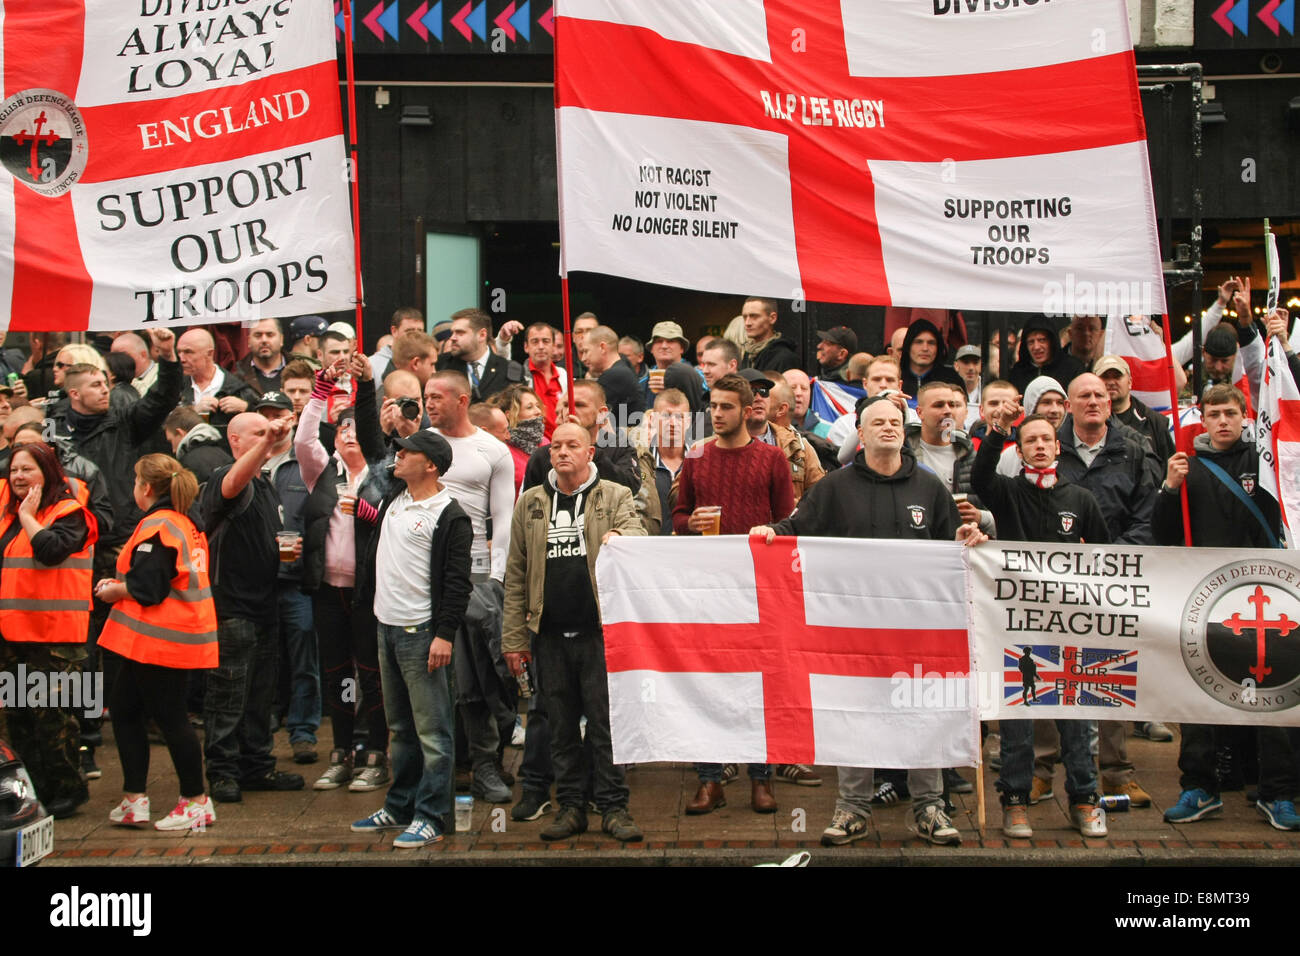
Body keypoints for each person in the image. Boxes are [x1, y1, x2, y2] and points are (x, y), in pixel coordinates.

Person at [752, 395, 986, 845]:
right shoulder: (836, 487)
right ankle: (851, 809)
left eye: (895, 422)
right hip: (851, 629)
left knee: (924, 713)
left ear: (904, 429)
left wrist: (965, 537)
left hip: (917, 630)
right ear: (860, 434)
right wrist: (772, 533)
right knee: (854, 714)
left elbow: (948, 546)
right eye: (877, 423)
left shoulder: (929, 486)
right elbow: (799, 529)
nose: (887, 428)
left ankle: (930, 808)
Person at [1153, 384, 1299, 830]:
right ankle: (1199, 787)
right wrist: (1168, 487)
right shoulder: (1188, 467)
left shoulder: (1267, 463)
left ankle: (1280, 793)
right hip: (1208, 601)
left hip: (1268, 602)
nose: (1221, 421)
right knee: (1199, 698)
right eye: (1213, 413)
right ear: (1203, 418)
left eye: (1229, 413)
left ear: (1243, 416)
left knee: (1276, 700)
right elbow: (1163, 535)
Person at [971, 405, 1111, 839]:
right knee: (1017, 722)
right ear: (1020, 448)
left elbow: (1106, 557)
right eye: (1029, 440)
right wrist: (997, 433)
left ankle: (1085, 800)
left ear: (1057, 447)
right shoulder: (1008, 492)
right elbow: (978, 480)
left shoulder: (1080, 499)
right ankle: (1015, 802)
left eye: (1045, 440)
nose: (1038, 446)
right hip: (1016, 628)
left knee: (1077, 719)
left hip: (1071, 626)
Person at [502, 422, 646, 842]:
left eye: (572, 445)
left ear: (590, 453)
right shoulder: (530, 502)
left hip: (599, 633)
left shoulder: (614, 495)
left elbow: (639, 531)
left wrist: (623, 535)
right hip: (547, 634)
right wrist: (513, 639)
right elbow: (515, 574)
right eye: (556, 446)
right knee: (559, 727)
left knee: (605, 725)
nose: (561, 452)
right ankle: (570, 807)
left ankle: (614, 807)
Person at [673, 373, 794, 813]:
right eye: (713, 407)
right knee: (708, 681)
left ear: (747, 411)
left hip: (758, 586)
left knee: (760, 682)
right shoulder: (697, 457)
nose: (717, 414)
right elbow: (678, 516)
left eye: (726, 407)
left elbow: (788, 522)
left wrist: (770, 535)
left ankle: (762, 777)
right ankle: (710, 779)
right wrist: (691, 523)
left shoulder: (771, 459)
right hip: (708, 586)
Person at [350, 430, 472, 848]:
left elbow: (458, 583)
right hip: (386, 628)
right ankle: (400, 804)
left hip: (422, 634)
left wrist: (444, 635)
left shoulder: (450, 515)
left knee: (434, 733)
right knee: (399, 727)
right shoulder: (393, 500)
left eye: (407, 452)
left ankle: (433, 815)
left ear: (431, 465)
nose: (397, 456)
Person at [96, 454, 218, 831]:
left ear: (146, 488)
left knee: (170, 718)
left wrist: (116, 589)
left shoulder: (159, 525)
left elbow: (148, 588)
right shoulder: (183, 522)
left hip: (161, 641)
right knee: (127, 709)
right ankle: (135, 799)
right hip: (160, 639)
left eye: (136, 481)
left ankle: (195, 800)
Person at [297, 355, 392, 791]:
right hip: (327, 591)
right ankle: (342, 752)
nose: (348, 434)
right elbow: (302, 441)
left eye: (355, 428)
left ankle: (376, 752)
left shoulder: (382, 474)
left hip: (367, 593)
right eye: (342, 429)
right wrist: (319, 391)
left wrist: (368, 511)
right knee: (337, 673)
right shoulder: (321, 471)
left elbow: (391, 520)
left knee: (371, 674)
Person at [200, 412, 304, 803]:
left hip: (266, 605)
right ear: (236, 440)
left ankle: (256, 766)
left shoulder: (266, 484)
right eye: (257, 434)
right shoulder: (226, 476)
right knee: (227, 697)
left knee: (261, 696)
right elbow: (231, 484)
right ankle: (223, 773)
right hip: (233, 608)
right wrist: (266, 444)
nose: (269, 438)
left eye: (270, 432)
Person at [424, 371, 518, 804]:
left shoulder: (492, 450)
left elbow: (504, 519)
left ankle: (487, 762)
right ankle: (459, 765)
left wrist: (495, 580)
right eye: (425, 396)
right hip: (425, 575)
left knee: (487, 674)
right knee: (445, 676)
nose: (429, 403)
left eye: (437, 397)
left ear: (461, 400)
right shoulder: (420, 445)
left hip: (478, 576)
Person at [0, 441, 96, 818]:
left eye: (28, 469)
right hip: (14, 635)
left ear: (48, 473)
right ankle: (34, 789)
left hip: (55, 637)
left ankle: (69, 790)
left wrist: (28, 516)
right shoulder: (5, 513)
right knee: (20, 717)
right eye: (14, 471)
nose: (19, 476)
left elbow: (51, 550)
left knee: (53, 717)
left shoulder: (71, 513)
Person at [177, 328, 258, 448]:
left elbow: (264, 421)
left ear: (209, 353)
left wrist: (246, 408)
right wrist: (193, 411)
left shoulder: (239, 385)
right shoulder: (175, 385)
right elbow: (161, 424)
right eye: (179, 352)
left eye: (188, 352)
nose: (182, 359)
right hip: (186, 459)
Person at [1094, 354, 1175, 466]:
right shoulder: (1084, 422)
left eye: (1117, 376)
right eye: (1105, 377)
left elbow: (1167, 468)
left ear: (1130, 382)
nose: (1111, 382)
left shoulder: (1156, 422)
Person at [438, 308, 524, 402]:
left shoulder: (508, 369)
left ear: (482, 335)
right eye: (452, 333)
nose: (452, 338)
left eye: (460, 333)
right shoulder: (440, 365)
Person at [578, 325, 645, 426]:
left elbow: (588, 417)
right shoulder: (623, 369)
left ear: (602, 347)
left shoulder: (615, 375)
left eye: (586, 351)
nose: (583, 358)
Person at [1007, 317, 1085, 396]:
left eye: (1042, 340)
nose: (1036, 347)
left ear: (1052, 342)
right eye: (1031, 342)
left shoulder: (1072, 368)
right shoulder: (1018, 372)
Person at [641, 321, 706, 413]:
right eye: (659, 341)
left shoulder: (698, 376)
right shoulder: (642, 382)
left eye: (670, 341)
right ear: (651, 348)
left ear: (682, 348)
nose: (664, 346)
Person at [163, 406, 234, 487]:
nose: (173, 450)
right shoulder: (223, 453)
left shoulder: (188, 464)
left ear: (180, 433)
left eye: (171, 441)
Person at [898, 319, 966, 397]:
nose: (925, 348)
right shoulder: (894, 376)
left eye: (931, 343)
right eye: (919, 342)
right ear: (908, 346)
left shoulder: (952, 379)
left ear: (938, 348)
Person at [523, 324, 567, 439]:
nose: (541, 346)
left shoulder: (563, 375)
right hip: (533, 444)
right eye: (535, 341)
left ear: (553, 346)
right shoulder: (519, 376)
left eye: (546, 341)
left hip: (563, 441)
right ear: (526, 347)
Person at [739, 297, 799, 373]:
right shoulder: (748, 354)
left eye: (754, 316)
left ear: (772, 318)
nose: (747, 323)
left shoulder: (785, 358)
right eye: (744, 317)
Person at [370, 307, 425, 386]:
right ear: (394, 331)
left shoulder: (426, 362)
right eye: (409, 331)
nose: (415, 336)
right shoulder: (372, 365)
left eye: (420, 331)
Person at [235, 317, 288, 396]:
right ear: (249, 341)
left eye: (270, 335)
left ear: (281, 339)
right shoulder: (237, 376)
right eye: (258, 335)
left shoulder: (301, 372)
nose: (264, 340)